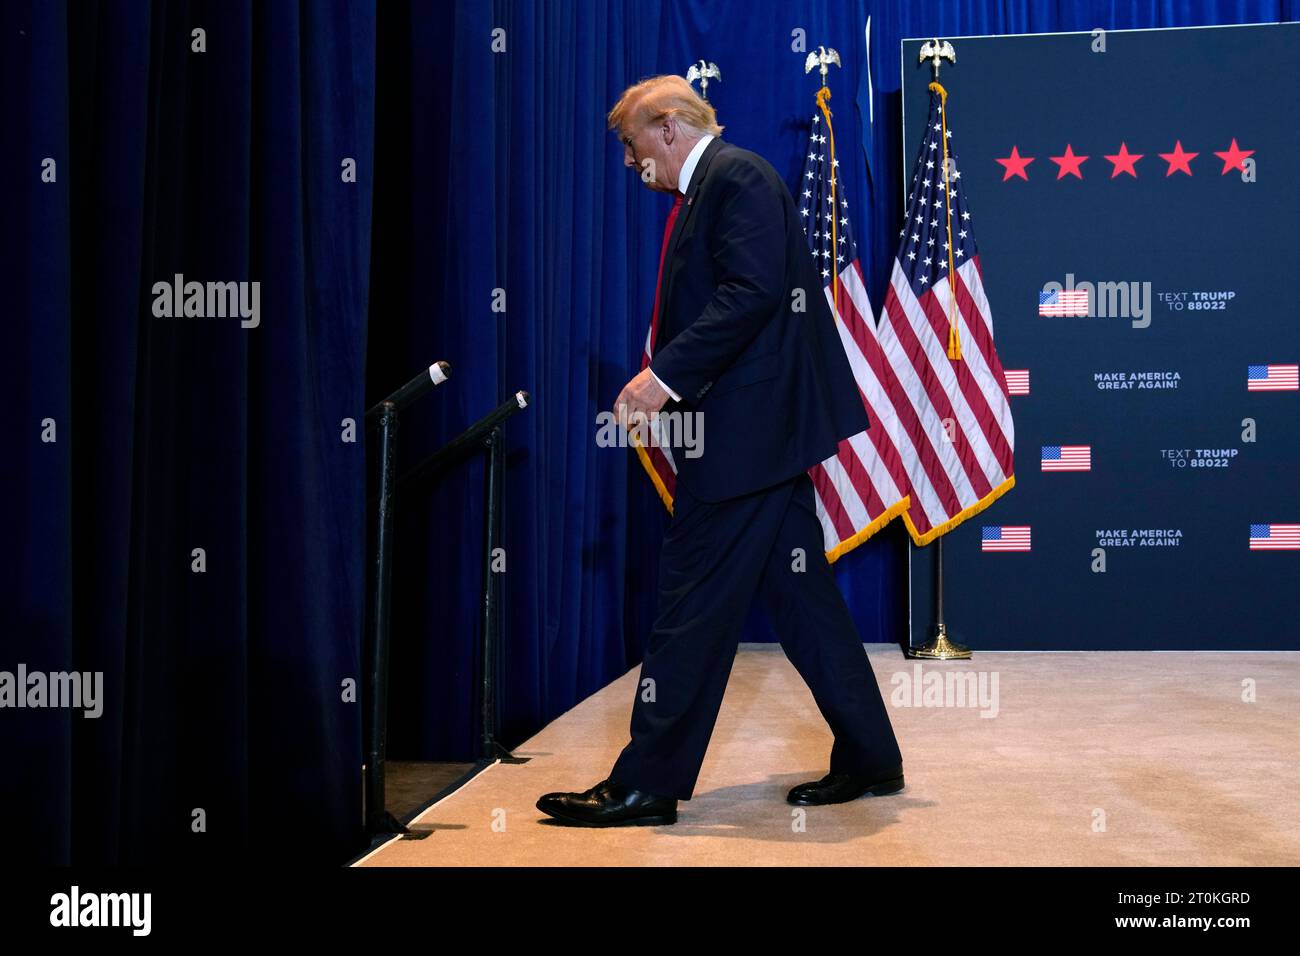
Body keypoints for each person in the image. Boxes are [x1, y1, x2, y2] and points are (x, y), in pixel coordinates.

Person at [536, 75, 903, 827]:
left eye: (636, 149)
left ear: (669, 127)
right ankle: (871, 754)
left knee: (690, 606)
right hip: (757, 434)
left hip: (746, 436)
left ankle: (648, 784)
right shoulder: (707, 192)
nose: (635, 166)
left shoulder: (736, 177)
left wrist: (660, 380)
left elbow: (753, 291)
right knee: (807, 607)